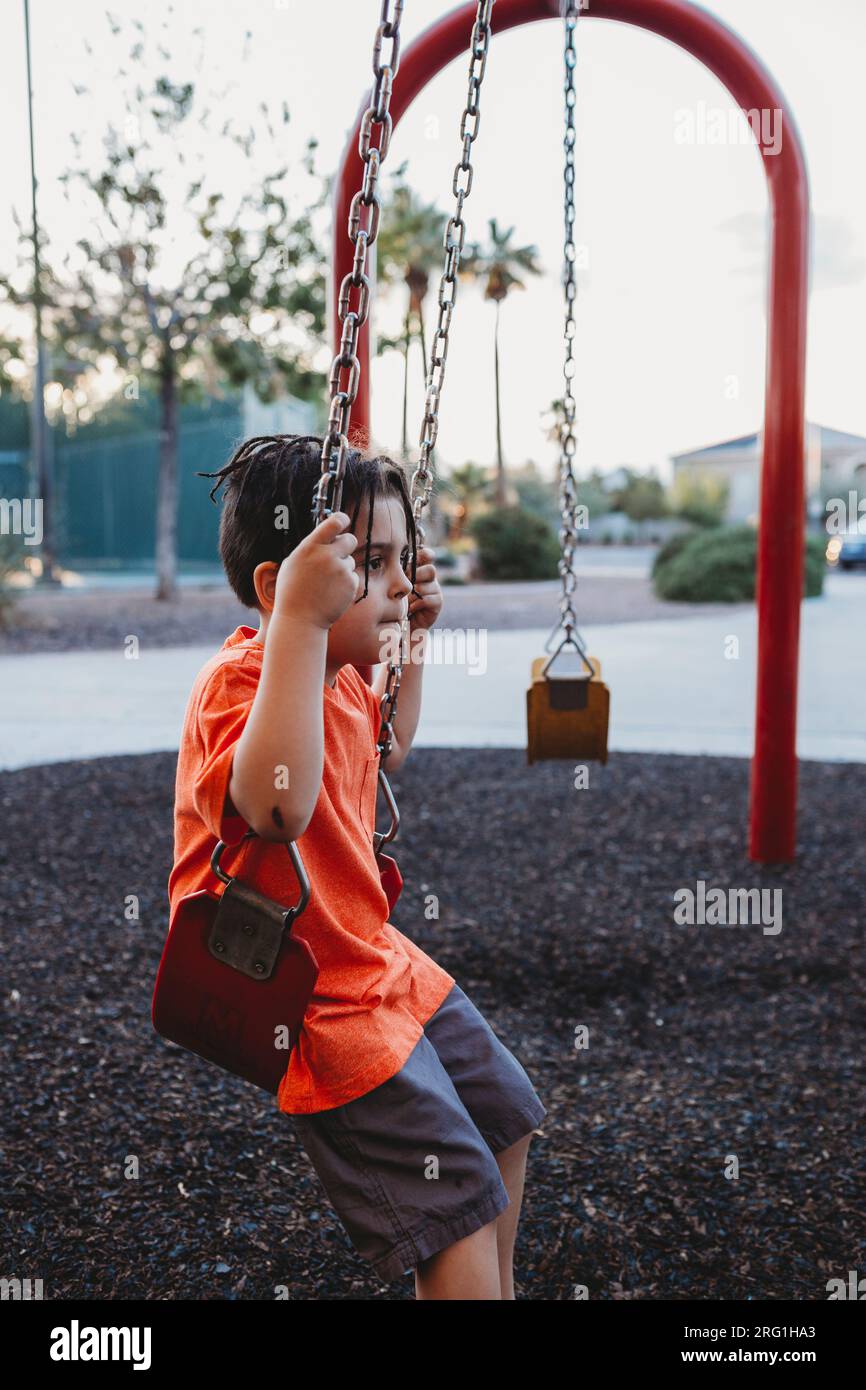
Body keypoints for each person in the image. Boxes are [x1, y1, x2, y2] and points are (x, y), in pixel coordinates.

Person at [168, 434, 547, 1299]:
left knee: (504, 1117)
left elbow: (395, 744)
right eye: (369, 563)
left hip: (371, 954)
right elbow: (276, 807)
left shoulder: (340, 671)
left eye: (402, 560)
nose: (399, 581)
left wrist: (411, 636)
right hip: (308, 988)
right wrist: (300, 626)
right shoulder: (244, 681)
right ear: (281, 588)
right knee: (452, 1197)